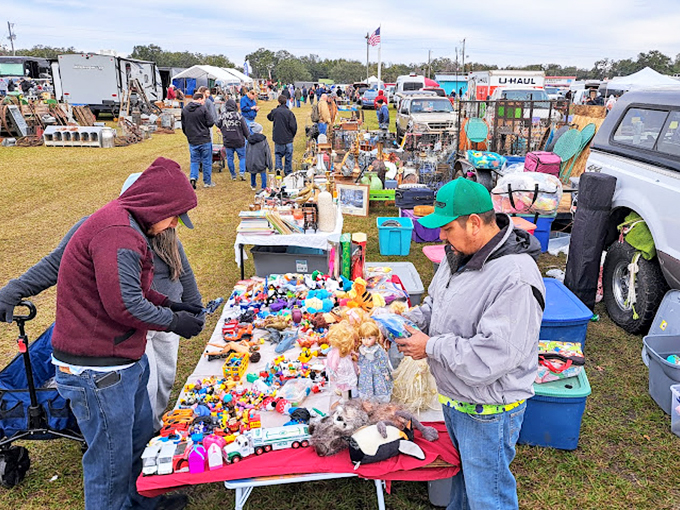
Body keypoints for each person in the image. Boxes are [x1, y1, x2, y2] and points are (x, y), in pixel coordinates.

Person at [51, 158, 202, 510]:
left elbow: (133, 289)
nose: (175, 225)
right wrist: (173, 321)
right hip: (99, 368)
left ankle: (142, 502)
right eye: (175, 215)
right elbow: (125, 306)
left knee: (136, 441)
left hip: (122, 360)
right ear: (157, 206)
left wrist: (172, 305)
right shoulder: (116, 232)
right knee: (110, 463)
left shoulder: (129, 226)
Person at [395, 178, 545, 510]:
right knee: (463, 486)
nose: (441, 236)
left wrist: (430, 347)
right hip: (458, 400)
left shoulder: (515, 279)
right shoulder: (457, 255)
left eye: (447, 228)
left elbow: (491, 358)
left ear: (474, 223)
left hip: (488, 411)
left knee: (488, 497)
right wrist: (409, 321)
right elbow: (437, 305)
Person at [181, 92, 215, 189]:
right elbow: (211, 122)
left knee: (194, 161)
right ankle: (207, 182)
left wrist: (189, 135)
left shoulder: (185, 110)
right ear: (199, 99)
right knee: (206, 161)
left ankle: (193, 177)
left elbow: (183, 126)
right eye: (204, 100)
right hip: (204, 139)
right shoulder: (203, 109)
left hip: (192, 140)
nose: (204, 102)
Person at [216, 98, 250, 181]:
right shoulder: (239, 116)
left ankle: (233, 175)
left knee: (230, 158)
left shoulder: (222, 116)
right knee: (242, 157)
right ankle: (242, 172)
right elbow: (245, 128)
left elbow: (217, 123)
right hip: (239, 139)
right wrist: (248, 137)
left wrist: (223, 128)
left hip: (228, 140)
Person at [267, 94, 298, 176]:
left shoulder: (275, 111)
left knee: (278, 154)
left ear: (278, 102)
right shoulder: (289, 113)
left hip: (278, 138)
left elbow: (269, 117)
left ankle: (278, 167)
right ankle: (288, 171)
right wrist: (292, 135)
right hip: (288, 138)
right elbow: (294, 126)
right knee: (288, 156)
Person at [245, 123, 272, 191]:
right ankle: (263, 186)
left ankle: (253, 185)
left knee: (253, 173)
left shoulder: (249, 140)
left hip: (252, 161)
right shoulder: (263, 140)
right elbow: (267, 151)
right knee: (263, 173)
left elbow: (247, 151)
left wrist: (248, 163)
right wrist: (269, 164)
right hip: (261, 160)